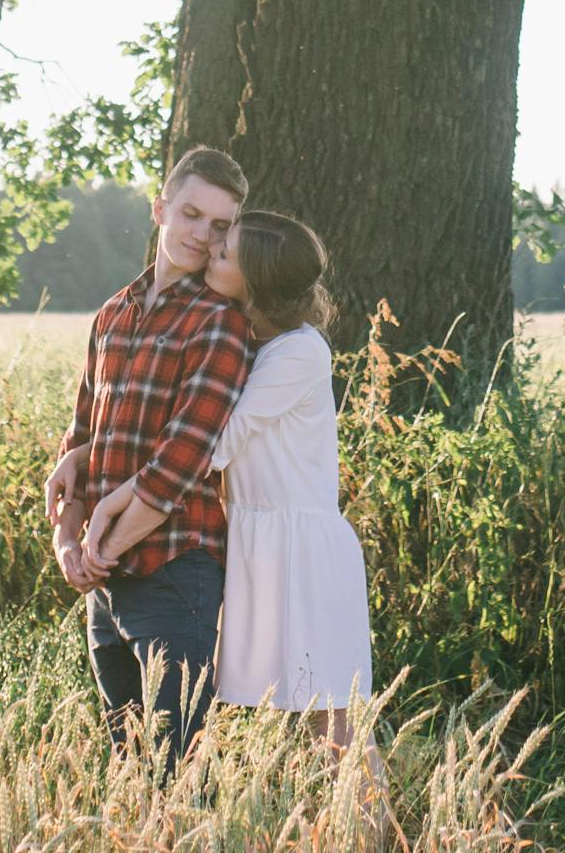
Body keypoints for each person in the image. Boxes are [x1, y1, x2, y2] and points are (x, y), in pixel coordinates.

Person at [81, 209, 378, 789]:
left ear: (256, 278)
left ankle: (370, 835)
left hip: (303, 554)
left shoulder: (298, 352)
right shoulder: (250, 337)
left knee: (334, 726)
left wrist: (114, 505)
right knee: (292, 723)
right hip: (257, 545)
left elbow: (213, 444)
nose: (211, 250)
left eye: (225, 253)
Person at [46, 144, 253, 774]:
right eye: (191, 214)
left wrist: (99, 549)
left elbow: (180, 463)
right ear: (160, 208)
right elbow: (83, 435)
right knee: (128, 764)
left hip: (174, 571)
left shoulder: (220, 322)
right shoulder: (114, 312)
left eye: (219, 226)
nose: (201, 235)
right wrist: (65, 537)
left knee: (177, 773)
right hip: (105, 583)